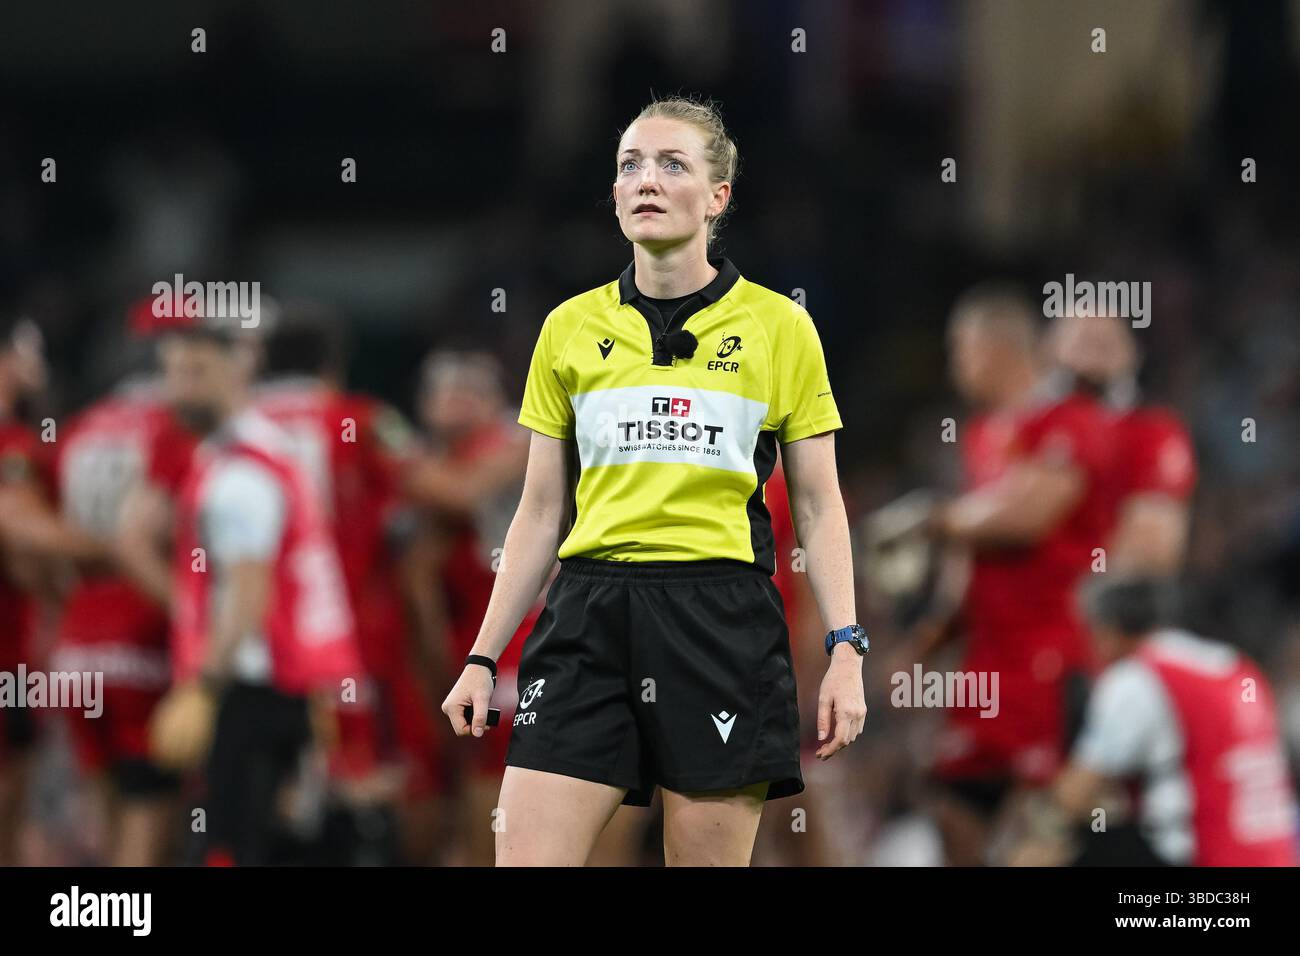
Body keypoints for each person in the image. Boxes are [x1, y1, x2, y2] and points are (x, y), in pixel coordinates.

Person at [439, 95, 866, 867]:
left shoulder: (781, 328)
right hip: (586, 615)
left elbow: (819, 504)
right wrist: (481, 654)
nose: (647, 180)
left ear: (717, 197)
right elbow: (539, 513)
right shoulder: (568, 328)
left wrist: (845, 648)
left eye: (673, 165)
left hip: (720, 621)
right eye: (630, 165)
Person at [149, 314, 361, 866]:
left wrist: (203, 686)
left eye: (196, 371)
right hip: (289, 682)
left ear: (238, 370)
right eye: (172, 372)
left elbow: (250, 586)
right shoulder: (256, 453)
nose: (180, 387)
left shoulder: (241, 470)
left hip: (251, 687)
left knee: (229, 848)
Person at [919, 283, 1117, 865]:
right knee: (949, 802)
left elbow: (1027, 517)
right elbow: (973, 550)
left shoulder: (1072, 419)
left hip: (1050, 655)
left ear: (995, 348)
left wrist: (936, 521)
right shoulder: (982, 435)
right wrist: (932, 631)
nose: (957, 364)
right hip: (989, 659)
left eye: (962, 348)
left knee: (1039, 819)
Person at [252, 309, 432, 864]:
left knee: (264, 791)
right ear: (333, 363)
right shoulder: (360, 418)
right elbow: (436, 488)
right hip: (350, 641)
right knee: (371, 786)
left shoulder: (237, 426)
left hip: (254, 646)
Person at [1035, 576, 1297, 866]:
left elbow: (1077, 791)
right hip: (1274, 856)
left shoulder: (1137, 677)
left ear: (1107, 631)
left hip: (1206, 863)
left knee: (1068, 843)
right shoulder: (1237, 667)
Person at [405, 348, 536, 865]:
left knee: (495, 773)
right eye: (443, 390)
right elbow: (417, 576)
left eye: (468, 390)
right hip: (449, 646)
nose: (454, 402)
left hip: (516, 640)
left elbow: (461, 494)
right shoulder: (438, 462)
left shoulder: (519, 442)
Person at [1047, 311, 1197, 573]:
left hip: (1094, 599)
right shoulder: (1023, 430)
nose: (1092, 354)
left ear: (1131, 353)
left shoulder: (1154, 432)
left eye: (1104, 341)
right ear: (1053, 350)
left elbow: (1152, 549)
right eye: (1083, 341)